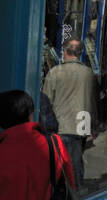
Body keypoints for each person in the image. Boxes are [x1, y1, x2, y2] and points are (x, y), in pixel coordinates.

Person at [41, 38, 98, 191]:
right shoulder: (88, 73)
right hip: (81, 125)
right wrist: (92, 128)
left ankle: (67, 198)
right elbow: (93, 102)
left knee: (59, 167)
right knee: (76, 163)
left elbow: (45, 102)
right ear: (80, 53)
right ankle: (77, 194)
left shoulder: (55, 72)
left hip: (60, 125)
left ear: (65, 51)